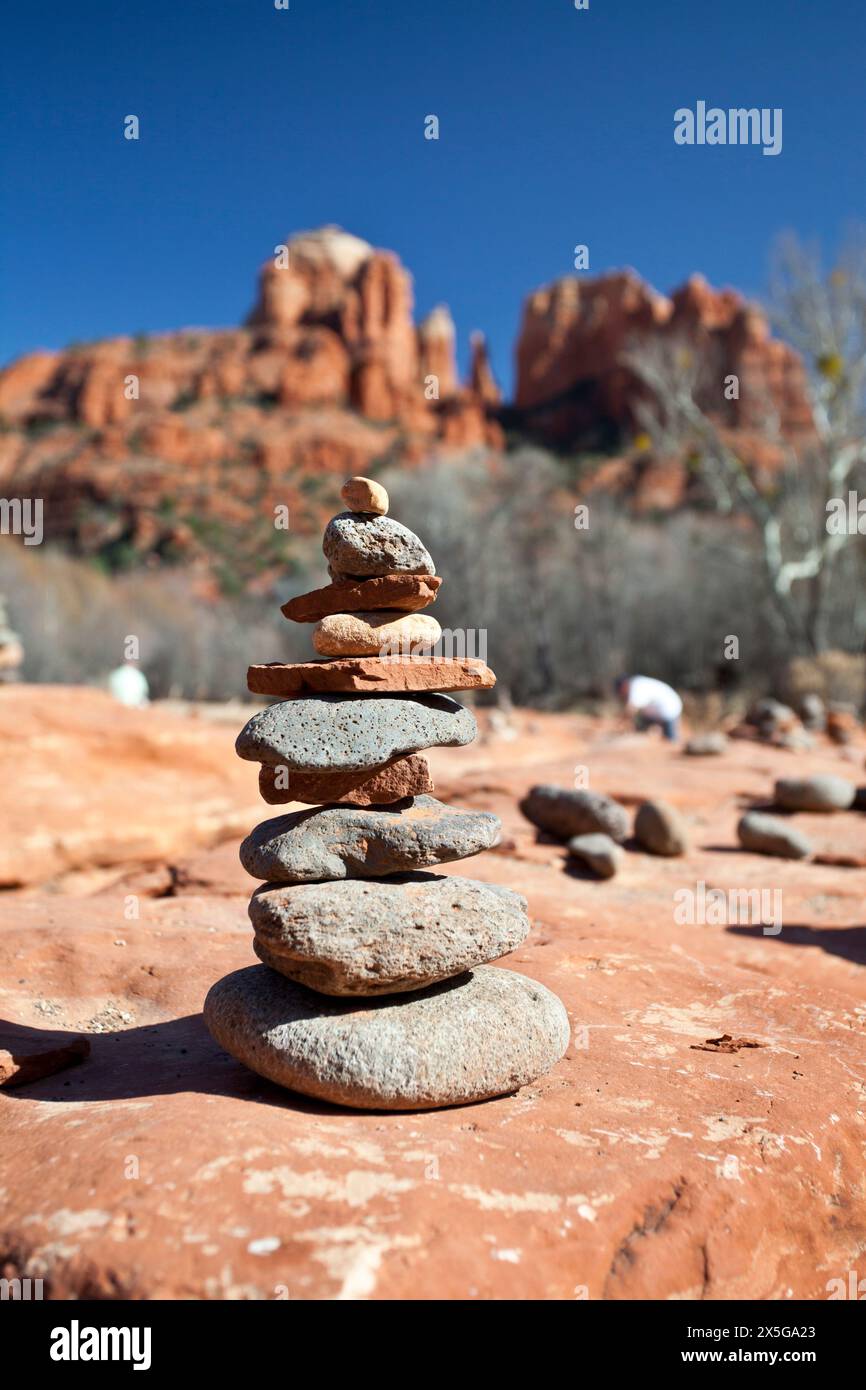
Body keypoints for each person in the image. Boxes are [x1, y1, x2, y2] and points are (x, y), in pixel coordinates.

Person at [614, 673, 682, 742]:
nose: (622, 694)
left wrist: (620, 724)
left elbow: (631, 709)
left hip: (669, 709)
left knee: (670, 739)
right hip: (658, 711)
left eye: (620, 691)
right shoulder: (637, 683)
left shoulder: (636, 686)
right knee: (640, 723)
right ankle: (645, 733)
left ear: (624, 685)